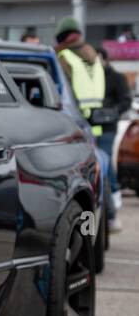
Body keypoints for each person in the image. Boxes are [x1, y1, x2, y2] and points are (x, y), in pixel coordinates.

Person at [55, 16, 117, 231]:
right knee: (94, 176)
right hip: (94, 123)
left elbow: (61, 92)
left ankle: (84, 228)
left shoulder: (64, 56)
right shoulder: (93, 56)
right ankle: (102, 222)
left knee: (74, 182)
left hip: (72, 124)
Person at [99, 47, 132, 231]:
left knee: (105, 164)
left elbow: (125, 100)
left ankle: (112, 203)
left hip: (107, 128)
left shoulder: (116, 78)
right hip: (91, 127)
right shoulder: (89, 78)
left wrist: (111, 113)